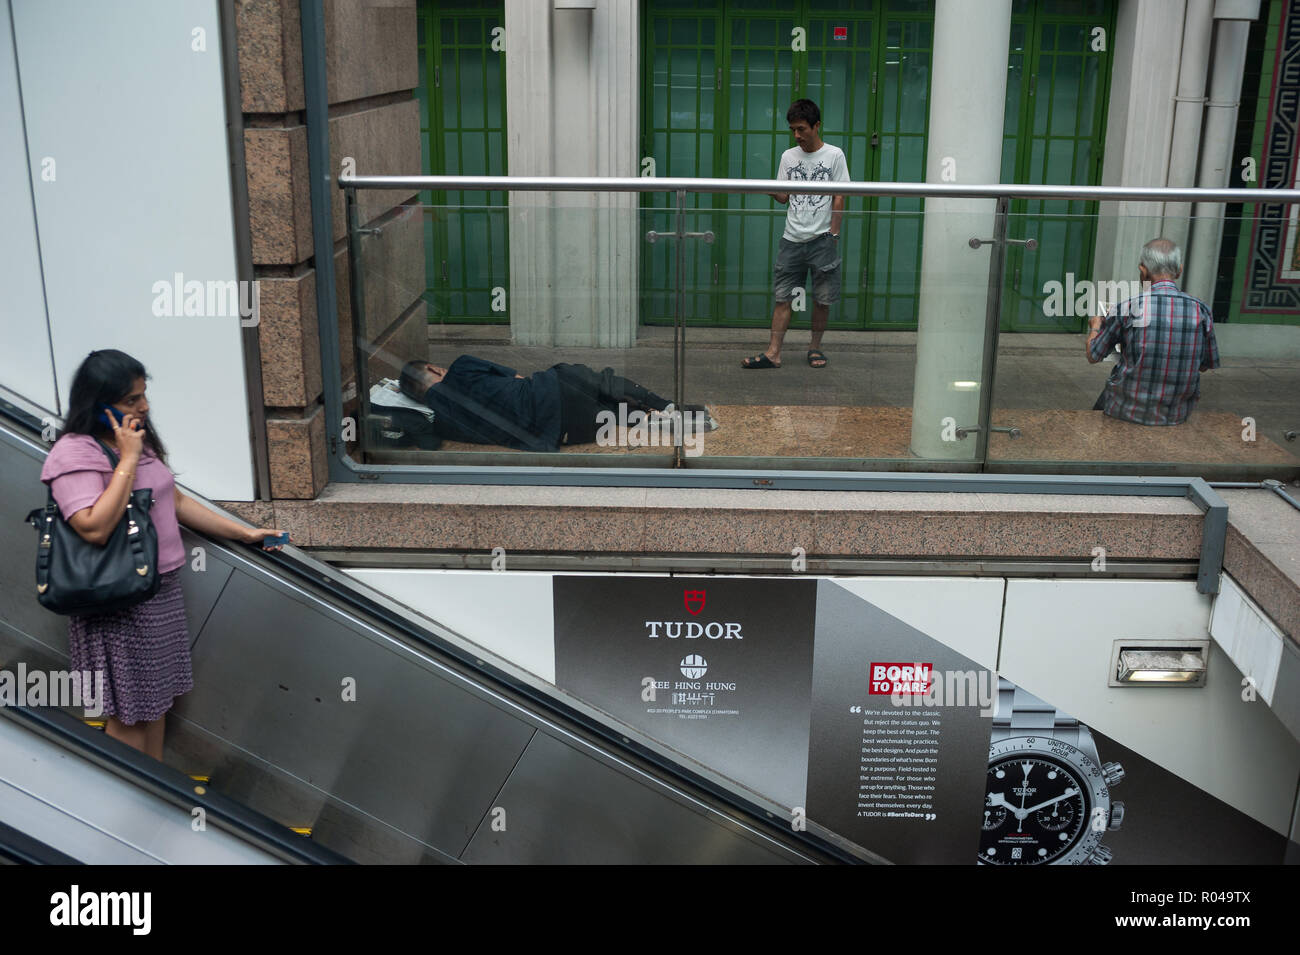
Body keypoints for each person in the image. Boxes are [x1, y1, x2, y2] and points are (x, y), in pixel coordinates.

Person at [40, 349, 287, 760]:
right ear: (97, 404)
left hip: (159, 591)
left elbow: (173, 501)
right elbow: (94, 526)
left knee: (155, 708)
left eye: (143, 394)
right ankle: (131, 802)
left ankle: (152, 793)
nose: (144, 406)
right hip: (118, 602)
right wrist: (129, 461)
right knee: (131, 716)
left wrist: (243, 533)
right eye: (130, 400)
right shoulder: (75, 453)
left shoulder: (133, 439)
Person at [398, 355, 713, 450]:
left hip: (556, 433)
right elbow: (518, 378)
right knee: (600, 381)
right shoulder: (462, 366)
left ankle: (648, 420)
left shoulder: (440, 419)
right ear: (432, 369)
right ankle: (667, 407)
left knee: (610, 416)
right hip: (554, 390)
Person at [742, 98, 849, 370]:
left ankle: (815, 348)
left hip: (822, 238)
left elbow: (840, 195)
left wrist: (833, 234)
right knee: (782, 297)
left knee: (822, 299)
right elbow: (783, 196)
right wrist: (765, 188)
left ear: (817, 126)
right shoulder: (788, 157)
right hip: (791, 238)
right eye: (793, 130)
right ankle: (773, 352)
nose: (797, 135)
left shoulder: (834, 155)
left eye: (802, 129)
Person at [1086, 238, 1220, 425]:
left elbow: (1093, 355)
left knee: (1100, 407)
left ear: (1143, 270)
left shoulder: (1127, 308)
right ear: (1179, 270)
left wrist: (1096, 325)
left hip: (1126, 411)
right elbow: (1205, 365)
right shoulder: (1201, 310)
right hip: (1176, 414)